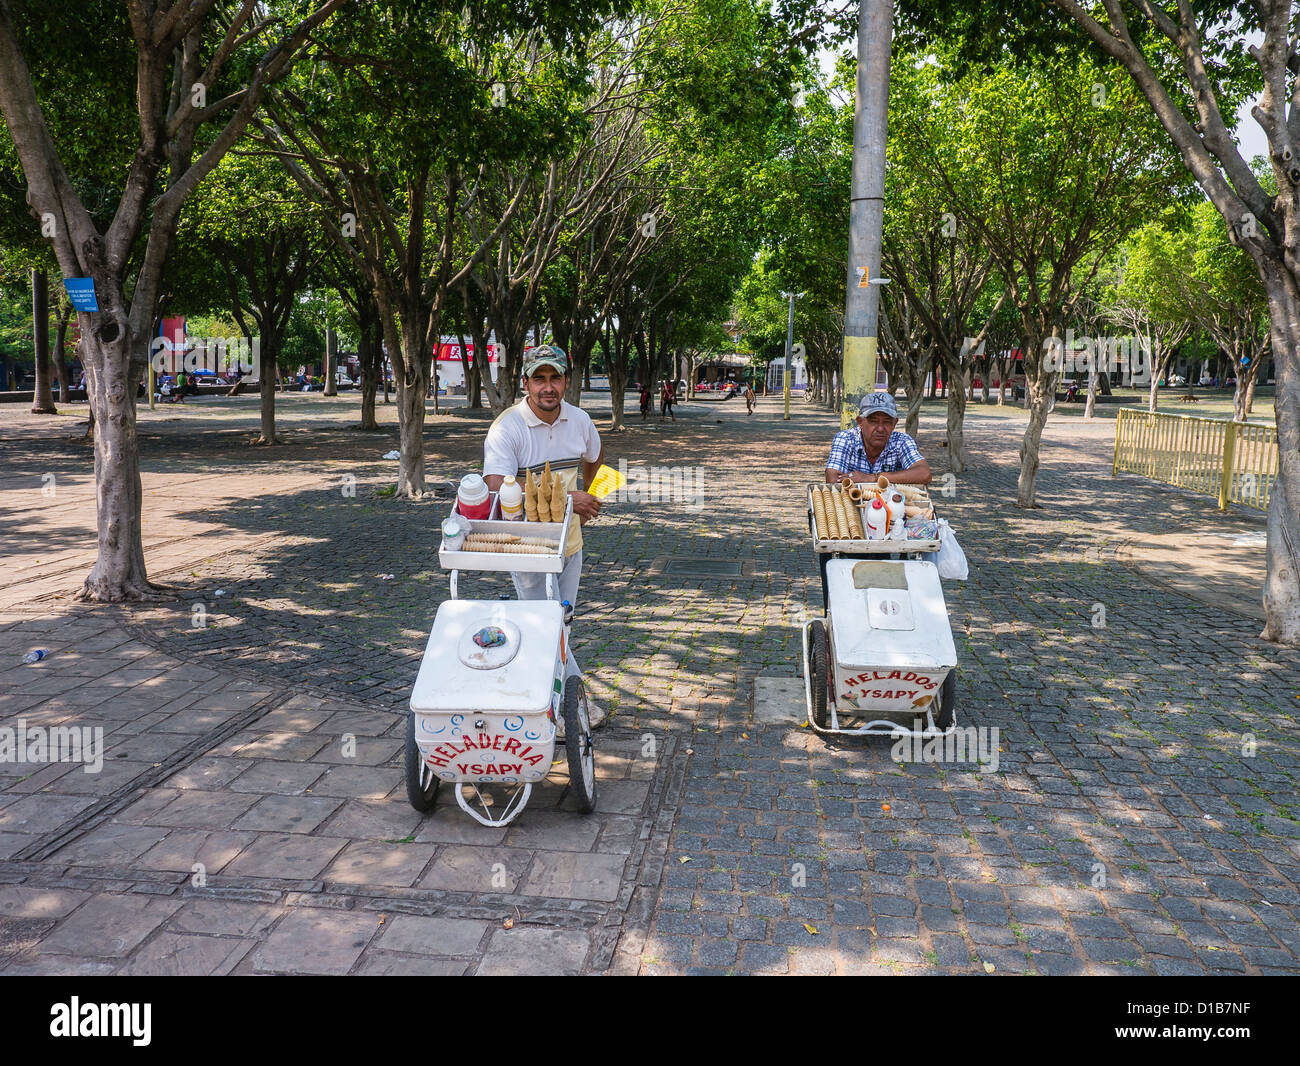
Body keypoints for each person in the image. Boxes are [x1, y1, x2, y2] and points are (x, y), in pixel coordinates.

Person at [482, 345, 606, 726]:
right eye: (540, 379)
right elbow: (493, 485)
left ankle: (549, 695)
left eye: (555, 378)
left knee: (561, 620)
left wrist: (590, 503)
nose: (547, 387)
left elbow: (597, 460)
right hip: (526, 546)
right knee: (542, 620)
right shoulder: (508, 427)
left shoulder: (581, 420)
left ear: (567, 381)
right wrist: (571, 497)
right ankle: (569, 699)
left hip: (570, 543)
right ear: (526, 383)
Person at [826, 391, 932, 485]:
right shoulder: (845, 439)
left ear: (894, 424)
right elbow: (833, 480)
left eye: (887, 422)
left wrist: (872, 478)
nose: (880, 428)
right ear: (860, 422)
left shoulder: (902, 441)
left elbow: (924, 473)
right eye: (873, 421)